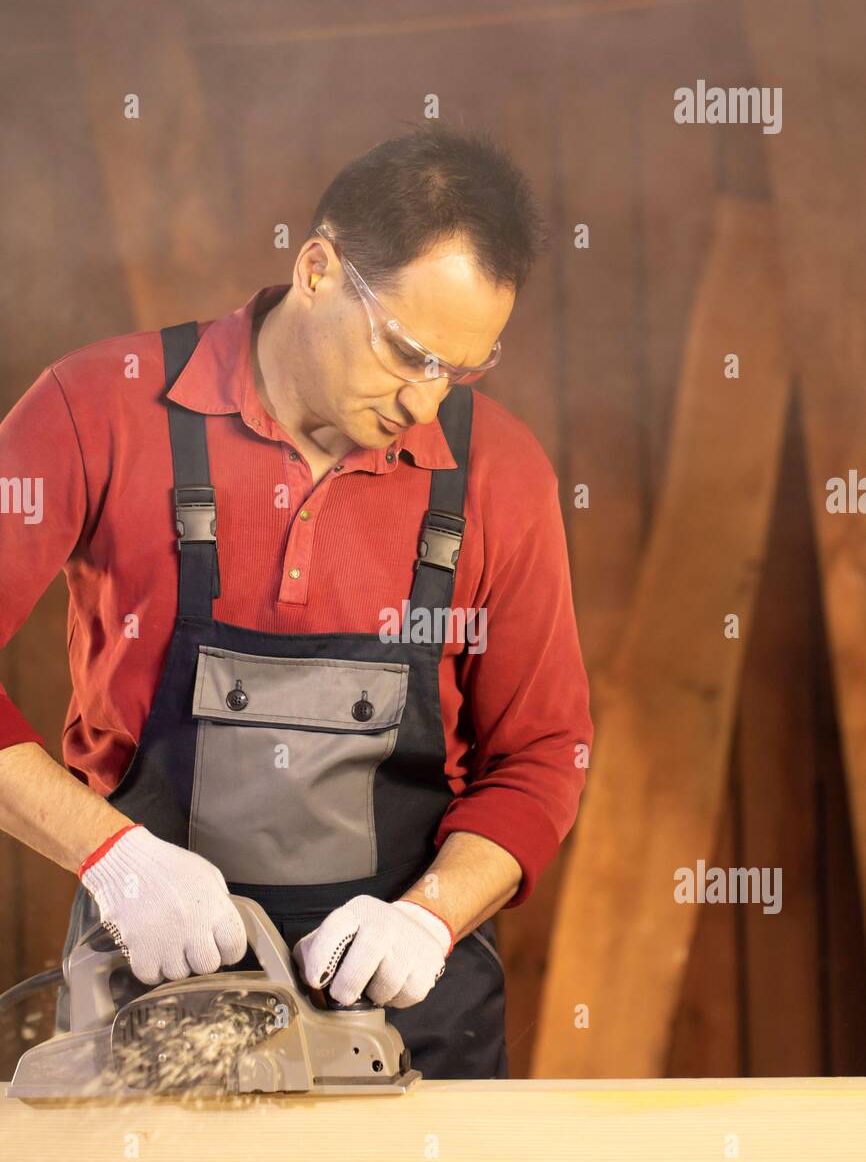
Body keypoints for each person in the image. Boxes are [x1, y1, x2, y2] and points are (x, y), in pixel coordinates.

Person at [0, 124, 593, 1078]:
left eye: (462, 367)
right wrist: (111, 856)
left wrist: (428, 918)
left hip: (407, 1022)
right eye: (408, 351)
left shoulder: (499, 472)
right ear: (318, 268)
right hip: (151, 997)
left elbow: (542, 757)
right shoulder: (97, 409)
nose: (427, 401)